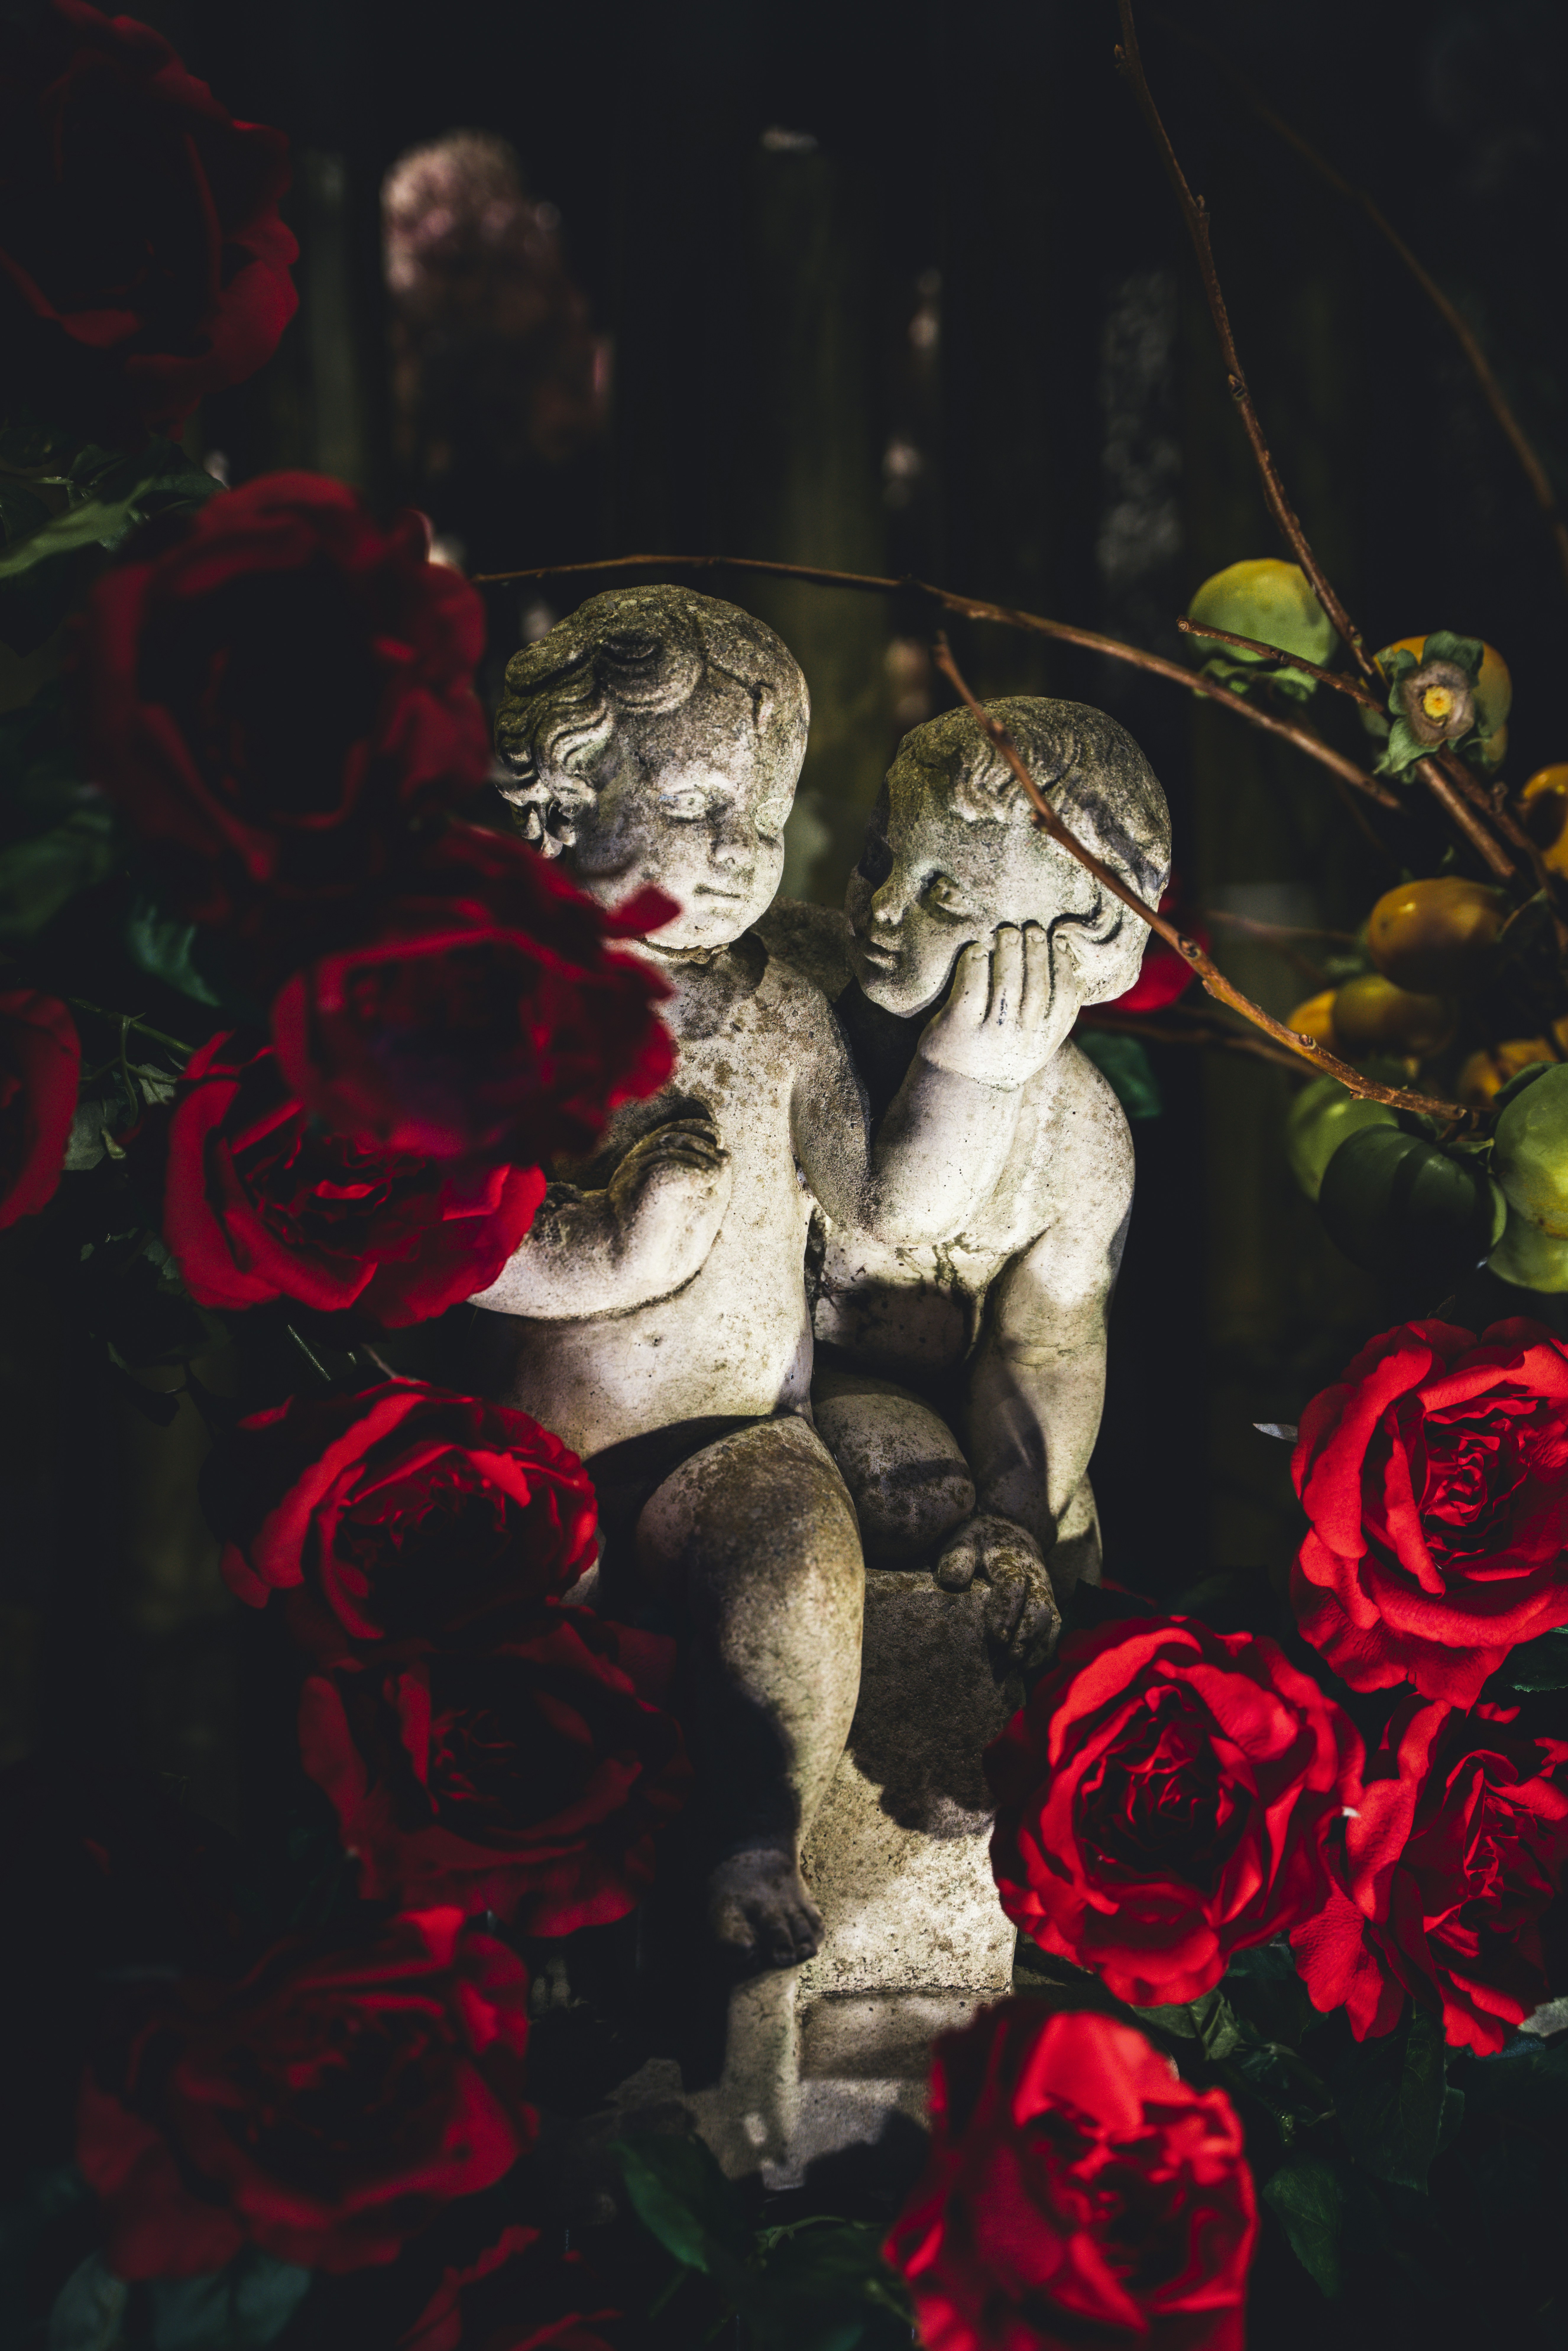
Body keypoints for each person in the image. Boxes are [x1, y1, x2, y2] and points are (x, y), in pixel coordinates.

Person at [471, 588, 1057, 1970]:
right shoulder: (501, 1001)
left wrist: (979, 1068)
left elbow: (877, 1208)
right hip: (532, 1457)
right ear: (557, 800)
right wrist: (603, 1252)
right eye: (693, 801)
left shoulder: (780, 1008)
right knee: (498, 1680)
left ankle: (760, 1827)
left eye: (768, 812)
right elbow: (441, 1235)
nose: (742, 854)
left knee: (800, 1568)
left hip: (740, 1447)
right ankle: (521, 1903)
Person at [759, 696, 1171, 1651]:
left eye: (948, 896)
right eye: (877, 857)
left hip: (918, 1418)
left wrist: (1013, 1516)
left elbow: (1047, 1352)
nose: (887, 906)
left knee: (954, 1511)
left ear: (1076, 939)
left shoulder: (1078, 1134)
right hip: (734, 1389)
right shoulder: (785, 978)